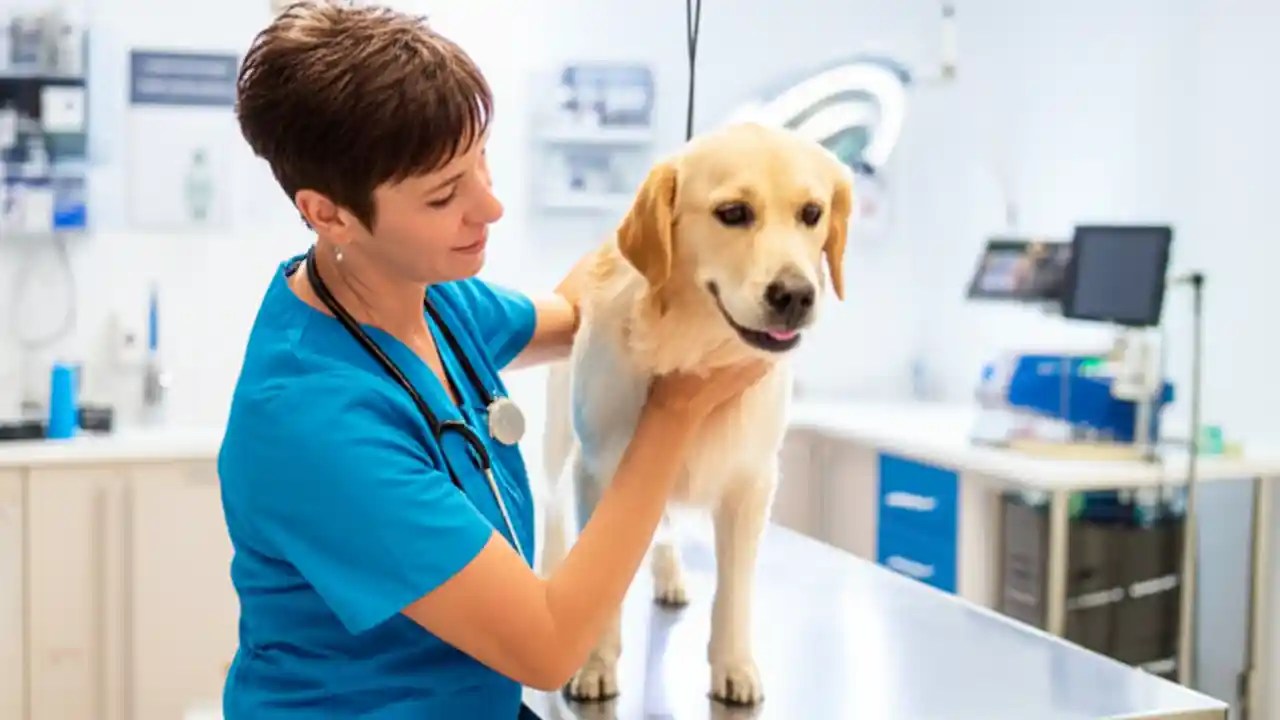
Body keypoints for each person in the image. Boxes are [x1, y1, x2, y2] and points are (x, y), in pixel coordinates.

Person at [215, 3, 768, 718]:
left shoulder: (426, 299)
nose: (491, 205)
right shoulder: (314, 423)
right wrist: (676, 409)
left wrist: (672, 229)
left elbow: (580, 312)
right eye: (446, 194)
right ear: (328, 214)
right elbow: (547, 646)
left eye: (481, 160)